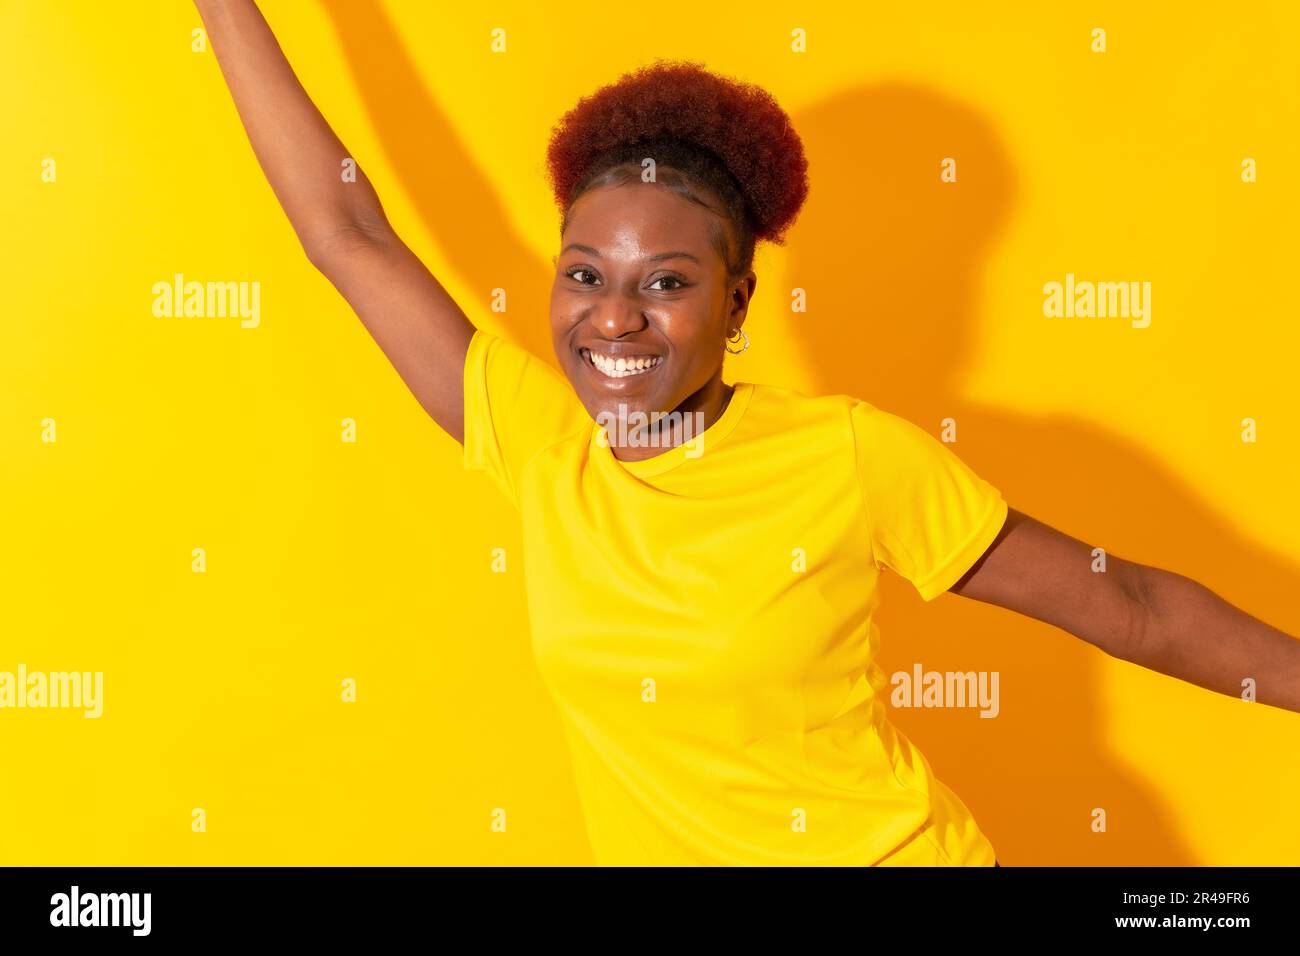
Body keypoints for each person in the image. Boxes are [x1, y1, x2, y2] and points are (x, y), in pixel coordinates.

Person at [193, 0, 1300, 866]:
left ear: (737, 303)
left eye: (666, 282)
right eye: (584, 276)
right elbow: (345, 232)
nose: (613, 316)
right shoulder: (542, 444)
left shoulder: (847, 454)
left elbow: (1129, 604)